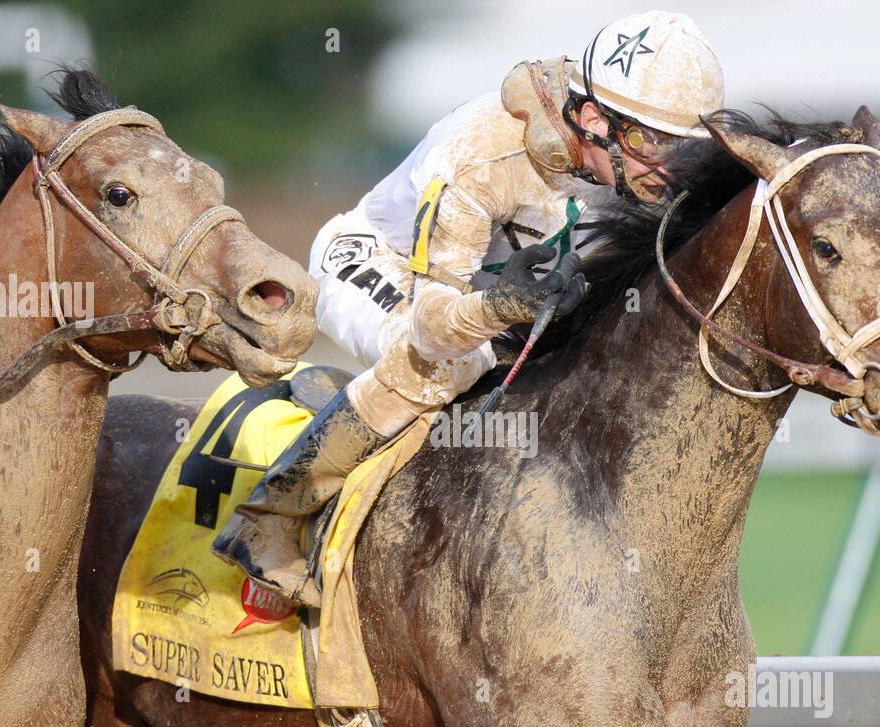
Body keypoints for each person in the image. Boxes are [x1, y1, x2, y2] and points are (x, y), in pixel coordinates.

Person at [214, 10, 727, 592]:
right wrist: (504, 306)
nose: (665, 169)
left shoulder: (610, 154)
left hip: (479, 292)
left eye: (679, 147)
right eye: (649, 142)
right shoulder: (482, 157)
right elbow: (433, 326)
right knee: (445, 364)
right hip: (373, 265)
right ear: (591, 118)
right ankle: (271, 515)